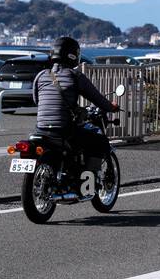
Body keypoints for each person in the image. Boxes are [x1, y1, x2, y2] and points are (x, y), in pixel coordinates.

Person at [31, 36, 118, 178]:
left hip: (41, 129)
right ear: (74, 56)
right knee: (99, 140)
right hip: (64, 130)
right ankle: (90, 180)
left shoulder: (41, 76)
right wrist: (111, 107)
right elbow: (98, 100)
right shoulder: (75, 76)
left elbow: (37, 101)